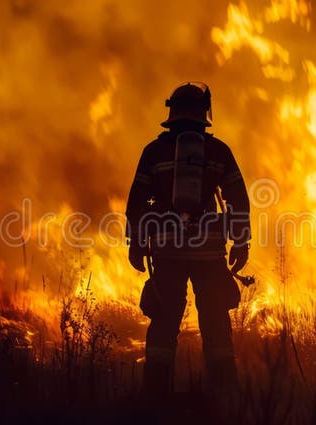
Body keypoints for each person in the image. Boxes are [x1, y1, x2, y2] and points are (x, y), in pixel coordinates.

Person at [125, 82, 251, 397]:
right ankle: (224, 393)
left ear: (172, 112)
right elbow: (237, 197)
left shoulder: (154, 151)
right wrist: (240, 241)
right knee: (214, 316)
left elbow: (137, 201)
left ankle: (155, 395)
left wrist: (138, 243)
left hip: (167, 251)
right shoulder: (218, 150)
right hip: (208, 250)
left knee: (165, 319)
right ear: (204, 114)